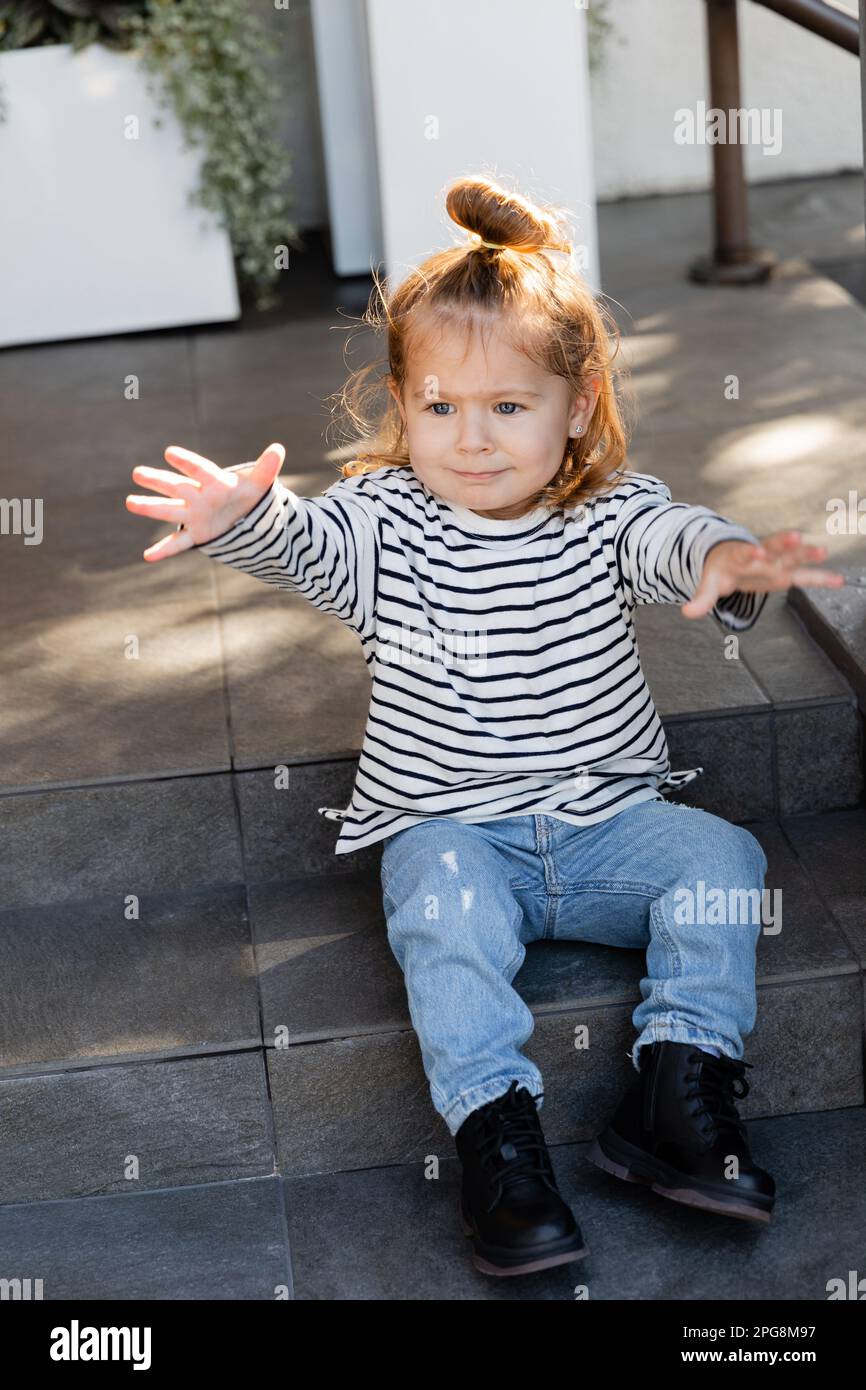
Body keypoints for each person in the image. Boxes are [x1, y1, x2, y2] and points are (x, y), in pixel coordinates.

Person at [125, 175, 845, 1280]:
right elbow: (307, 544)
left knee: (719, 857)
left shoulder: (603, 508)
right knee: (442, 917)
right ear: (402, 403)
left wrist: (725, 559)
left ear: (578, 405)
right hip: (454, 830)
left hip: (607, 827)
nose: (471, 439)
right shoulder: (381, 522)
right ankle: (498, 1144)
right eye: (439, 407)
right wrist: (247, 518)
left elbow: (672, 534)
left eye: (507, 408)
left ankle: (676, 1089)